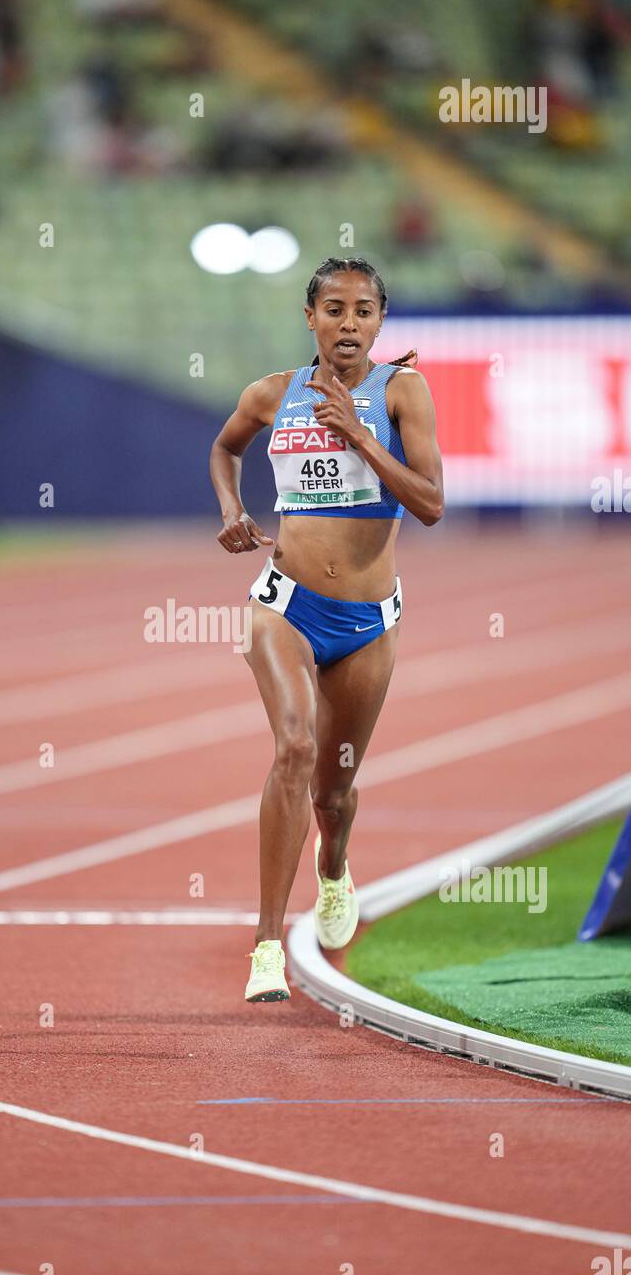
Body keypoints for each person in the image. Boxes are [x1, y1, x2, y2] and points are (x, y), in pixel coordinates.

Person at [208, 257, 443, 1003]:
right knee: (295, 749)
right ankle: (267, 945)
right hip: (286, 604)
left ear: (380, 322)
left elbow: (432, 503)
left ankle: (334, 867)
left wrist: (361, 434)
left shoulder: (404, 392)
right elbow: (224, 448)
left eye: (364, 311)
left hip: (369, 622)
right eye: (334, 309)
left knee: (333, 793)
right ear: (308, 317)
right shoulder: (271, 394)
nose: (349, 323)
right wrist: (232, 511)